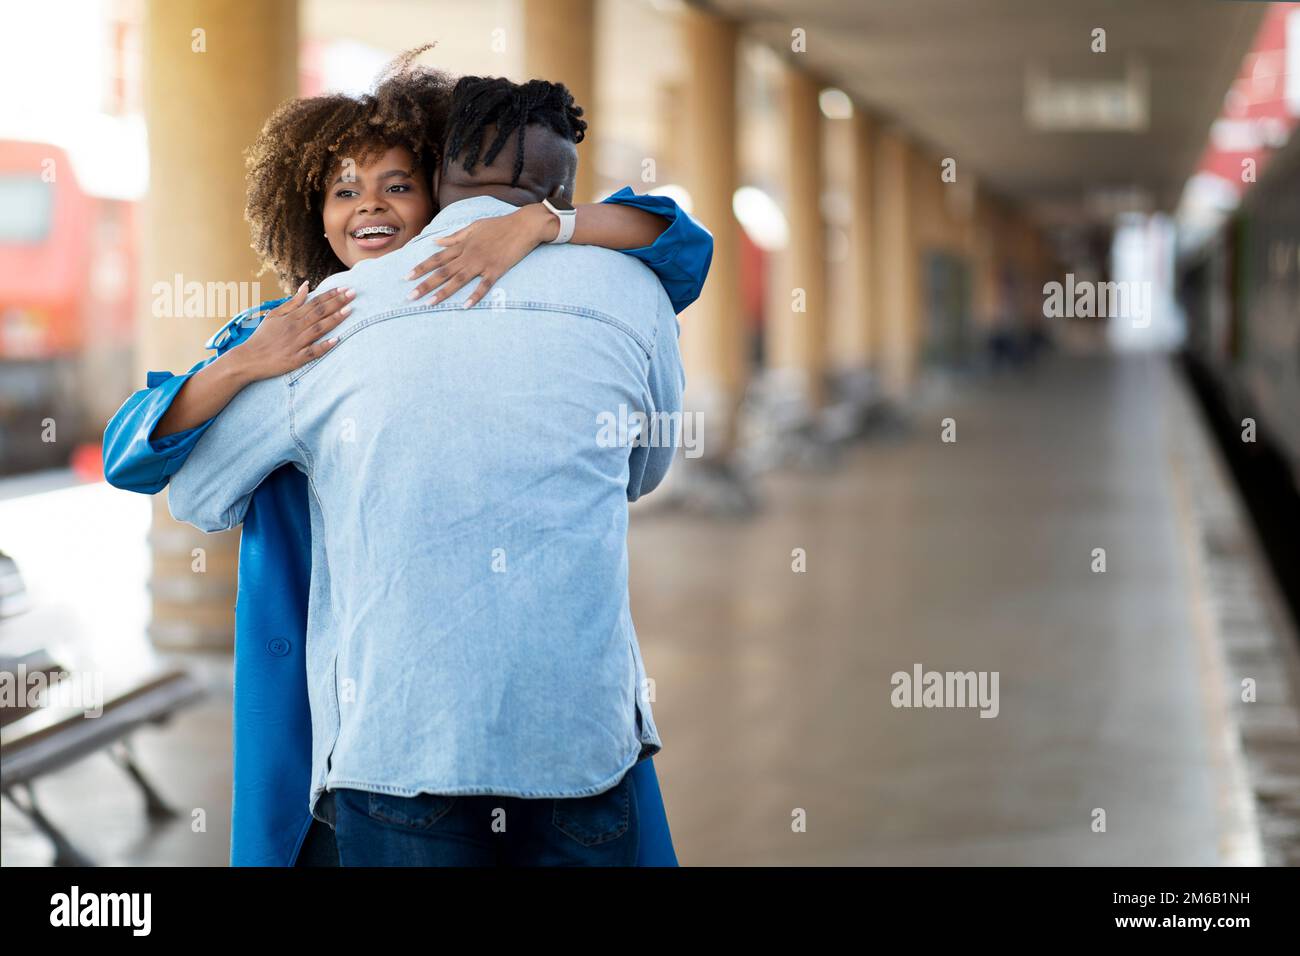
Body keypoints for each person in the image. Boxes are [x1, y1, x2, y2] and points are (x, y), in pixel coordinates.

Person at [103, 53, 710, 866]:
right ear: (308, 212)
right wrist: (243, 362)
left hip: (394, 743)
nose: (370, 209)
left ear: (436, 192)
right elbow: (647, 457)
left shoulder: (334, 325)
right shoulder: (293, 329)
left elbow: (199, 496)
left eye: (396, 185)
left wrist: (537, 225)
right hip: (577, 738)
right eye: (343, 190)